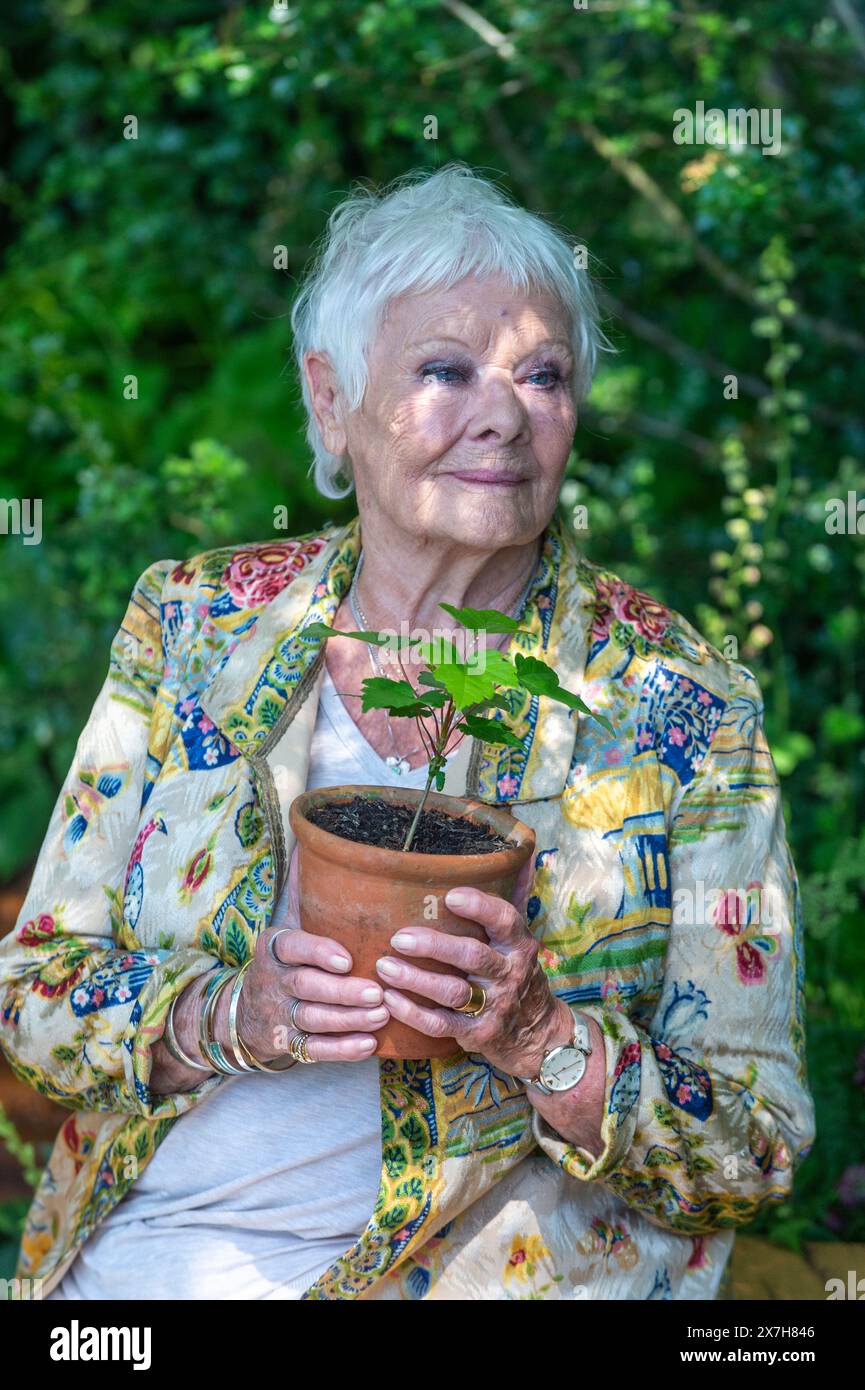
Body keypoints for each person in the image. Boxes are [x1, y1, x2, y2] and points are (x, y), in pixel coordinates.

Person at [0, 163, 814, 1300]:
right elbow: (34, 996)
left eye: (543, 374)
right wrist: (225, 1015)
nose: (503, 411)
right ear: (331, 401)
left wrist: (541, 1037)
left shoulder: (677, 703)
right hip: (140, 1275)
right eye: (446, 370)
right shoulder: (192, 625)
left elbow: (754, 1149)